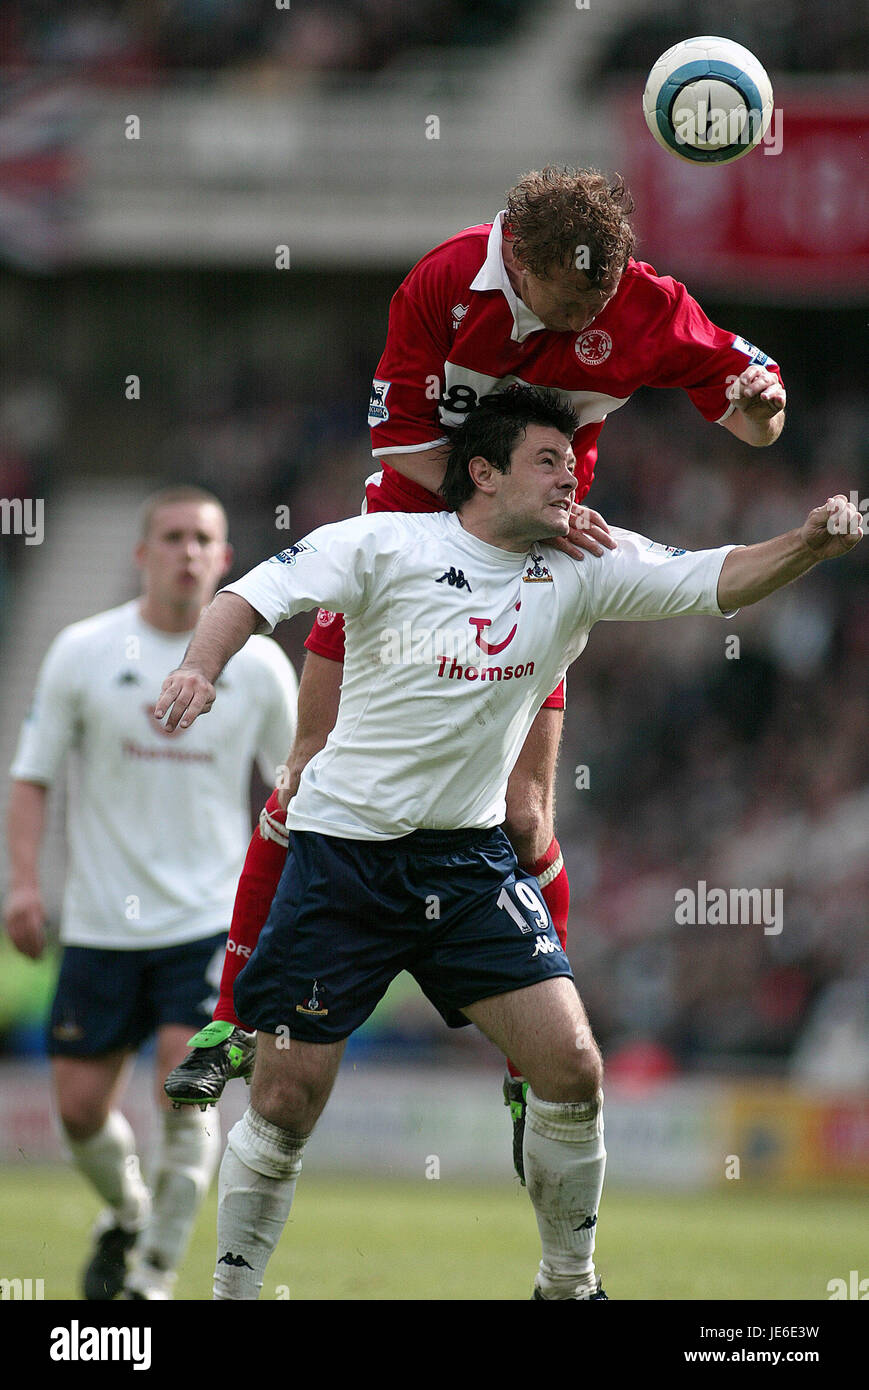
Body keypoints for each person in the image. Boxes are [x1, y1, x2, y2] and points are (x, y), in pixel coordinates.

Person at [154, 388, 857, 1300]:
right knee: (286, 1100)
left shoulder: (583, 564)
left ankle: (567, 1284)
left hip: (466, 865)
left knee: (572, 1068)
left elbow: (712, 577)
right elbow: (248, 595)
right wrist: (198, 667)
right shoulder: (383, 543)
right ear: (482, 473)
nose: (570, 476)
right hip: (343, 860)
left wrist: (806, 542)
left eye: (572, 461)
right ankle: (233, 1292)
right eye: (547, 460)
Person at [166, 165, 787, 1179]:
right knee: (307, 772)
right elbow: (403, 443)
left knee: (525, 819)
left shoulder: (640, 303)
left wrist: (760, 407)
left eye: (599, 299)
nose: (586, 318)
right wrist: (490, 514)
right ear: (520, 261)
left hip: (534, 572)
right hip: (403, 551)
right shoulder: (443, 282)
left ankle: (525, 1058)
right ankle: (233, 1020)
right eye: (569, 299)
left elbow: (753, 409)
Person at [3, 486, 298, 1300]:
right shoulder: (83, 650)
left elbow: (296, 789)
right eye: (171, 537)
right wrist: (23, 885)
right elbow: (31, 776)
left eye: (202, 539)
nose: (187, 552)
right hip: (99, 922)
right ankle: (128, 1210)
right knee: (79, 1111)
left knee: (185, 1097)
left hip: (207, 923)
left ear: (224, 558)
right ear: (142, 554)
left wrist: (296, 905)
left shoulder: (259, 667)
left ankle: (152, 1277)